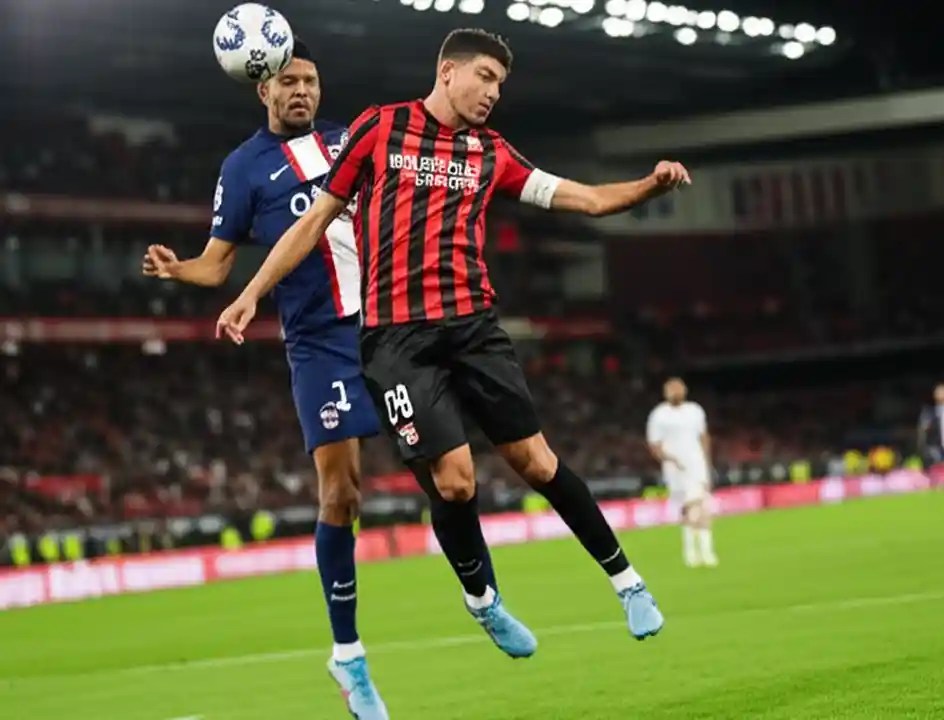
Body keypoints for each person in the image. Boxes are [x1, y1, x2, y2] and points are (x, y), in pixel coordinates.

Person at [216, 27, 689, 657]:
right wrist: (252, 291)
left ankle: (627, 581)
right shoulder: (379, 130)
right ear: (447, 73)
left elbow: (586, 198)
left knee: (539, 464)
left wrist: (647, 187)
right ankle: (483, 601)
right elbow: (312, 222)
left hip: (474, 329)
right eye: (485, 77)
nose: (494, 93)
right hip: (396, 343)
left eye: (501, 83)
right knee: (457, 483)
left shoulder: (491, 153)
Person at [141, 41, 388, 718]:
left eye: (310, 80)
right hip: (320, 340)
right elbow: (217, 265)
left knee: (449, 464)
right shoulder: (244, 167)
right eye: (288, 82)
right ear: (263, 91)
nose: (301, 91)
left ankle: (480, 593)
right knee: (342, 494)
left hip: (389, 323)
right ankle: (349, 657)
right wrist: (179, 269)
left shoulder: (349, 141)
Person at [646, 377, 718, 567]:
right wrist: (669, 459)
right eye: (672, 389)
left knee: (701, 506)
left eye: (679, 388)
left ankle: (707, 551)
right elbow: (654, 445)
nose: (676, 392)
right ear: (666, 392)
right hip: (675, 468)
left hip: (696, 465)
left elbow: (703, 437)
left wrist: (706, 463)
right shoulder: (659, 415)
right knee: (686, 510)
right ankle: (691, 552)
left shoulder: (695, 411)